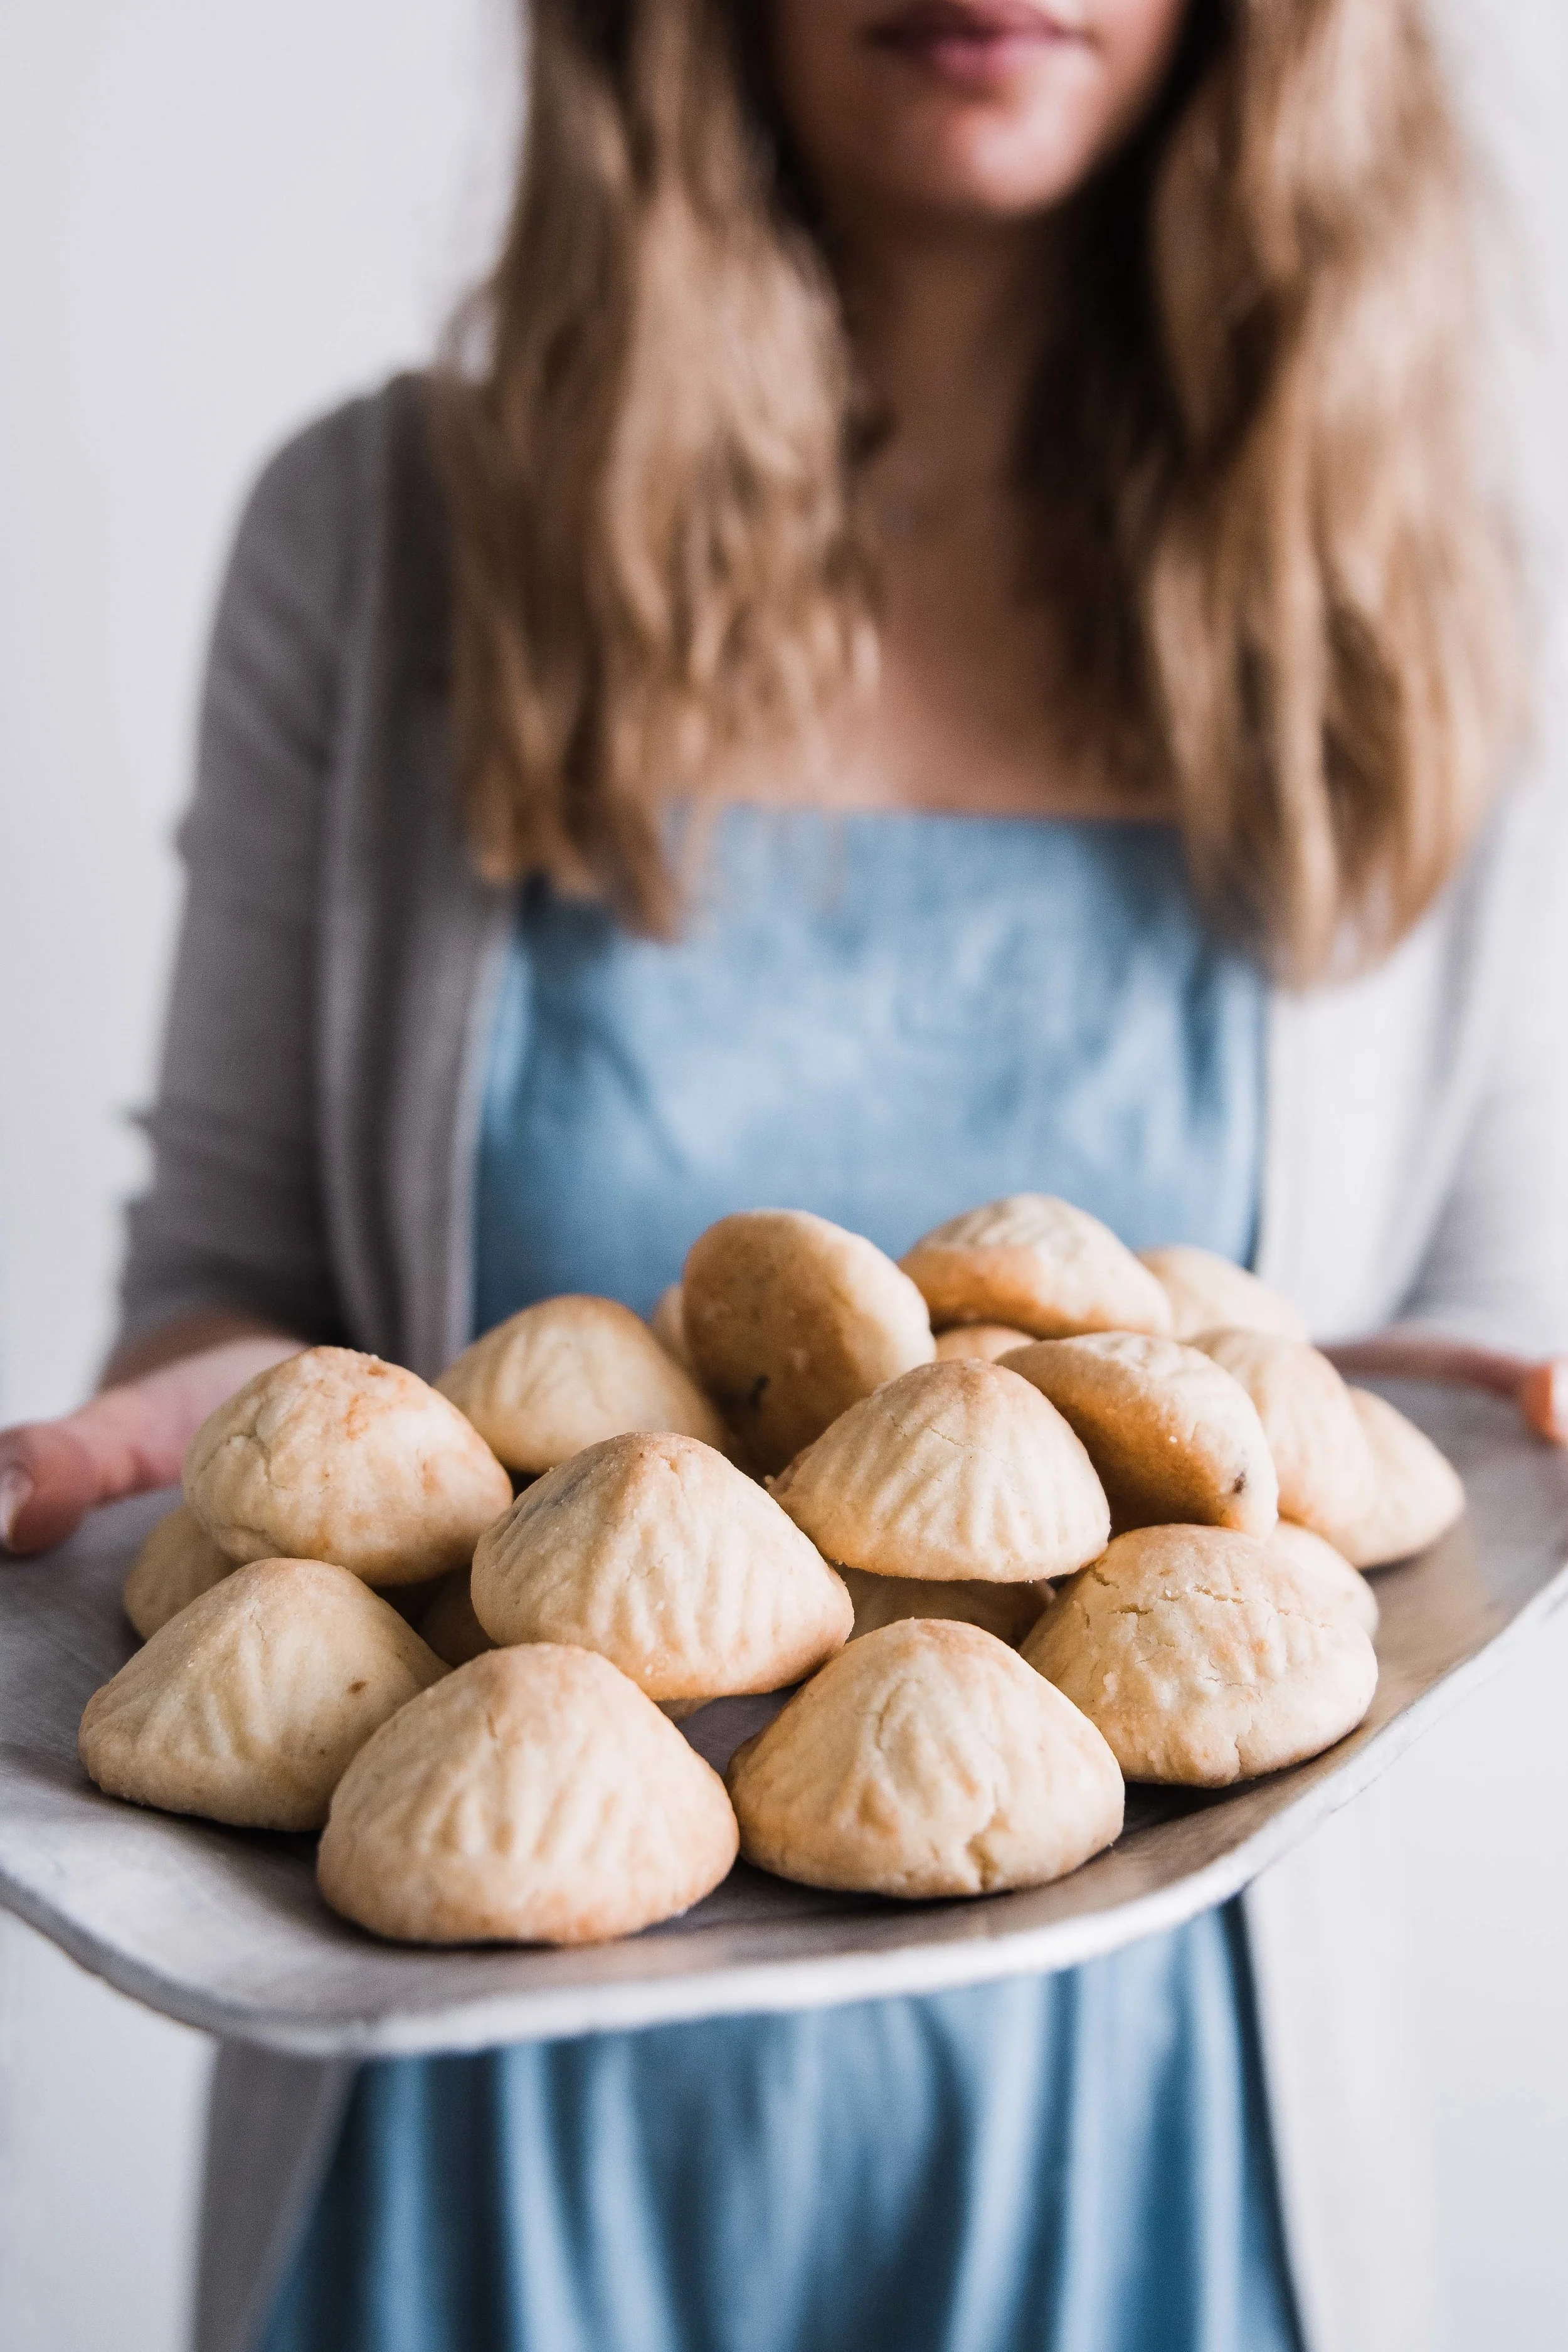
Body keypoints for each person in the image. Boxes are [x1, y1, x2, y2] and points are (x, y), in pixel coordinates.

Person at [4, 3, 1567, 2349]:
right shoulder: (385, 542)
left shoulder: (1404, 599)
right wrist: (187, 1443)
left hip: (1149, 2134)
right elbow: (238, 1266)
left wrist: (1417, 1426)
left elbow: (1440, 1340)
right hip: (475, 2124)